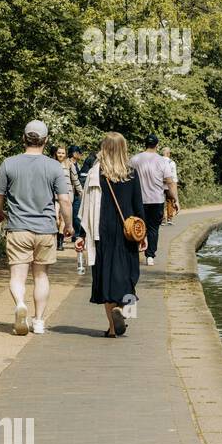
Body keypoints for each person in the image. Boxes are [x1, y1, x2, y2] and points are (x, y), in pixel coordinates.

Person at [0, 120, 73, 335]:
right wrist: (69, 225)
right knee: (41, 276)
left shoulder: (8, 164)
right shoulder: (54, 166)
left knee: (17, 275)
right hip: (45, 229)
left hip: (18, 227)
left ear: (23, 139)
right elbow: (64, 200)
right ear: (46, 141)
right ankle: (38, 321)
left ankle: (20, 304)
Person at [76, 132, 147, 337]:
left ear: (104, 148)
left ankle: (113, 328)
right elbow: (138, 205)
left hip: (103, 230)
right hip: (127, 231)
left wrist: (82, 234)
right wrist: (143, 236)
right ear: (123, 148)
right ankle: (124, 310)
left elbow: (87, 206)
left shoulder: (95, 173)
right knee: (128, 276)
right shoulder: (131, 173)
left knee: (106, 275)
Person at [129, 134, 177, 265]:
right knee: (153, 228)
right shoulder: (163, 161)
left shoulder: (135, 159)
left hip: (138, 200)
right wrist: (175, 200)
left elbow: (127, 177)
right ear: (157, 145)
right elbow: (170, 182)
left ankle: (135, 251)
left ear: (145, 144)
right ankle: (150, 255)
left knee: (138, 226)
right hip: (156, 199)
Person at [69, 145, 88, 274]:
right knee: (76, 215)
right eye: (79, 153)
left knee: (76, 215)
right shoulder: (71, 164)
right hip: (73, 193)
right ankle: (76, 236)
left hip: (76, 193)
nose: (81, 155)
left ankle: (76, 235)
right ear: (74, 153)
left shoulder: (76, 164)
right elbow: (75, 180)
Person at [161, 146, 181, 225]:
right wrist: (174, 185)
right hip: (169, 185)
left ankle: (162, 219)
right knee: (170, 201)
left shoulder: (158, 161)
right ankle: (169, 218)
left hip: (160, 185)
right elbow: (174, 176)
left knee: (161, 202)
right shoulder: (172, 163)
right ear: (168, 153)